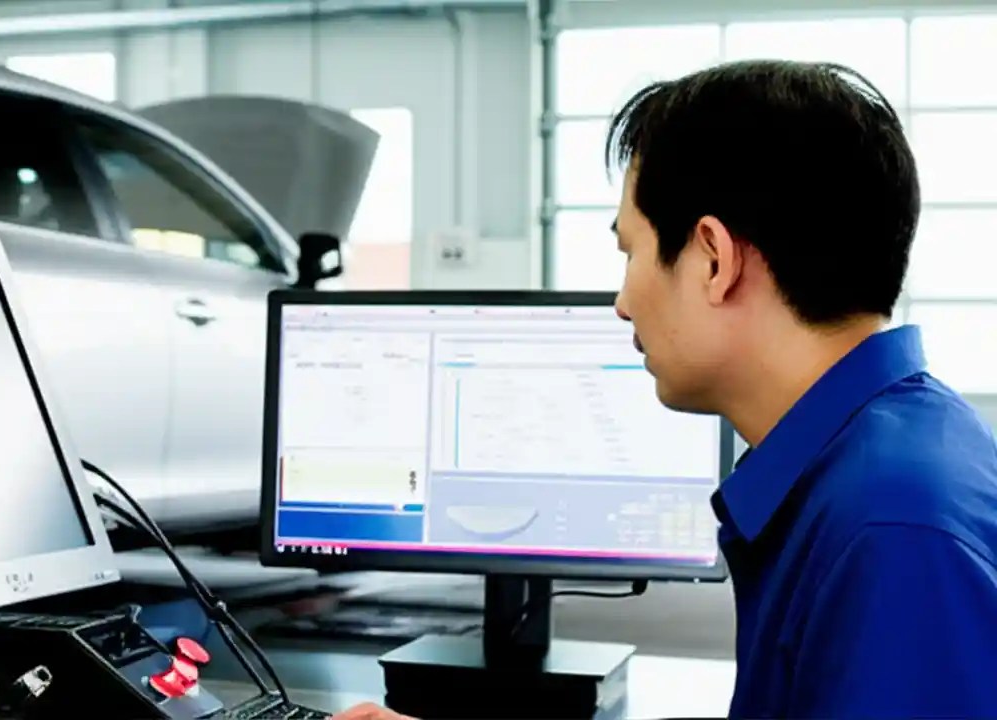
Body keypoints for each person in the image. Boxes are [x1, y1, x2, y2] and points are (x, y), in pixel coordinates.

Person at [334, 59, 997, 719]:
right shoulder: (876, 465)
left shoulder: (894, 532)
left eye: (631, 252)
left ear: (714, 258)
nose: (623, 302)